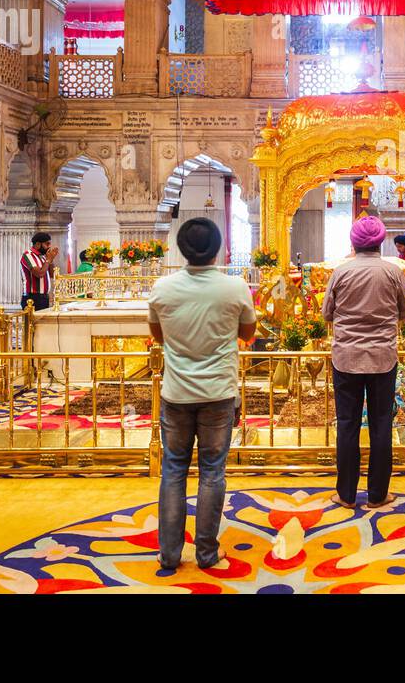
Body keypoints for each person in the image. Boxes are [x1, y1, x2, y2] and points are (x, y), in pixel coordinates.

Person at [148, 218, 256, 573]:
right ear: (217, 248)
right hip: (218, 393)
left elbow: (158, 336)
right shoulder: (234, 287)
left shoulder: (162, 288)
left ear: (181, 248)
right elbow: (248, 332)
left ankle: (169, 554)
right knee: (212, 471)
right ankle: (207, 554)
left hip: (176, 392)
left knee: (173, 471)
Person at [321, 216, 405, 510]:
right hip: (382, 358)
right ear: (381, 241)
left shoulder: (341, 273)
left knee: (347, 424)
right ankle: (377, 494)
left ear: (353, 242)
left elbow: (326, 313)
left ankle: (346, 494)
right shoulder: (393, 272)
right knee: (381, 424)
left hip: (346, 357)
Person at [20, 232, 59, 311]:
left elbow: (52, 274)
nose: (49, 247)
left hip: (44, 297)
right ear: (38, 244)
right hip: (32, 298)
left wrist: (51, 260)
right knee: (33, 323)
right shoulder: (28, 255)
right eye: (47, 244)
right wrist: (48, 259)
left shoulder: (43, 257)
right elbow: (39, 274)